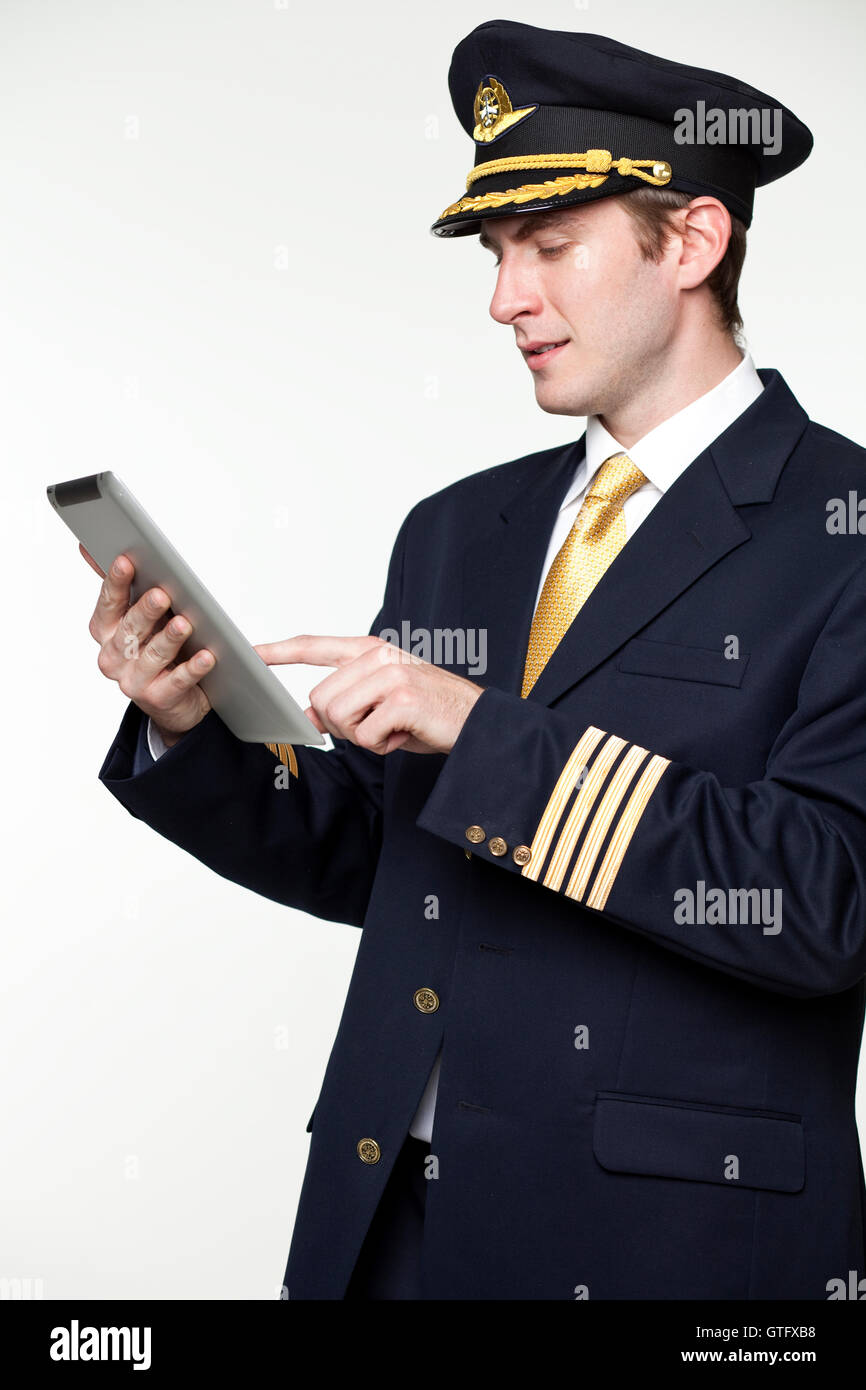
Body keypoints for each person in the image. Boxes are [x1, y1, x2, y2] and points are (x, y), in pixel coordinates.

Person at [86, 20, 866, 1299]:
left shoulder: (839, 533)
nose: (505, 297)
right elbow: (387, 860)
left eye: (549, 248)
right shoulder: (458, 529)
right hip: (384, 1222)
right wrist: (189, 723)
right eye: (500, 254)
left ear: (693, 241)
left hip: (669, 1254)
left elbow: (826, 902)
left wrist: (484, 732)